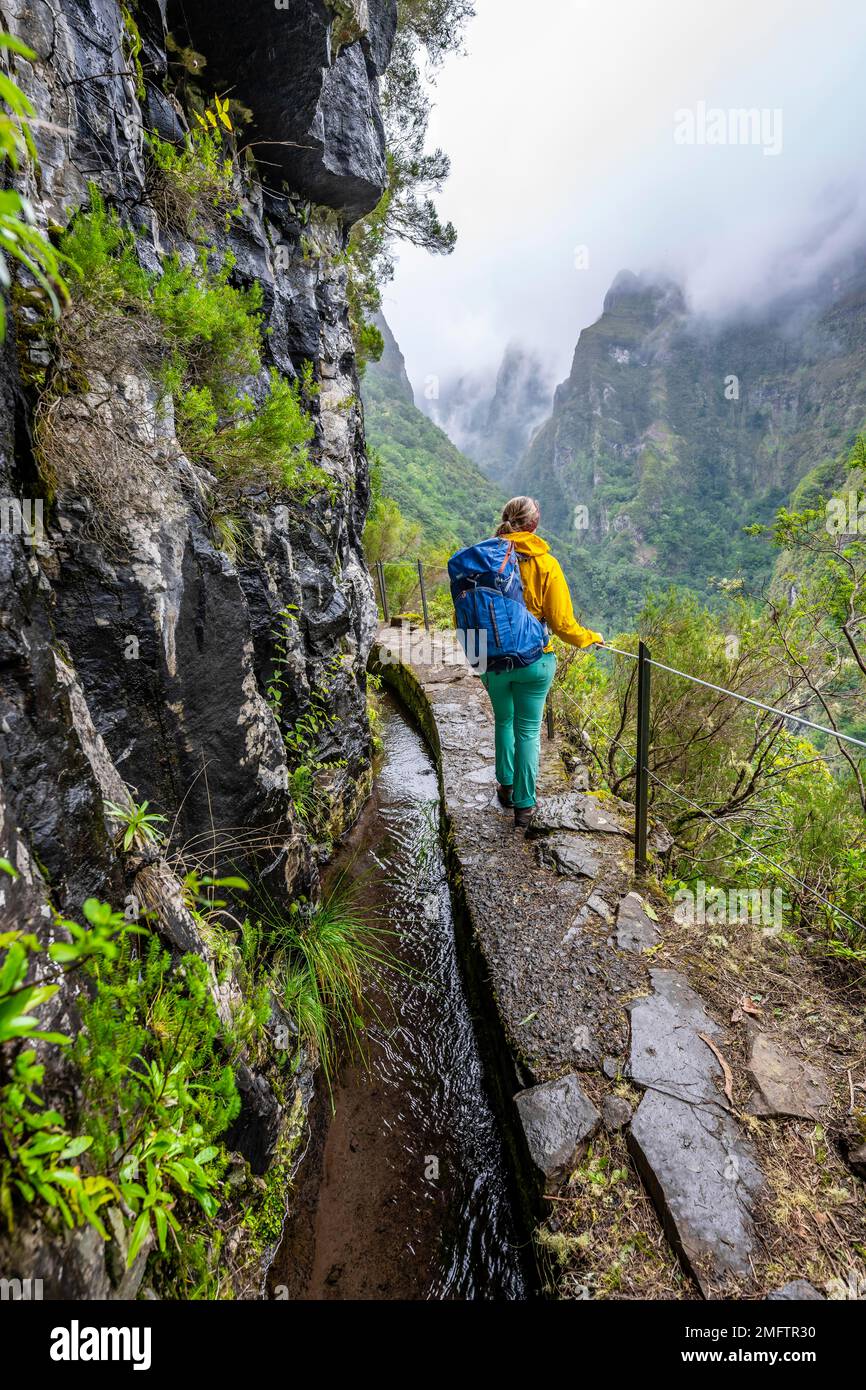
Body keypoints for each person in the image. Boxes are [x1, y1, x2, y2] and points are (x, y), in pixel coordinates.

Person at [480, 496, 604, 831]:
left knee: (504, 721)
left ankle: (505, 786)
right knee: (528, 730)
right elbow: (563, 625)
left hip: (489, 659)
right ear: (534, 525)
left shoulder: (483, 558)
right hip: (533, 660)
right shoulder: (545, 564)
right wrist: (590, 637)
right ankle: (524, 806)